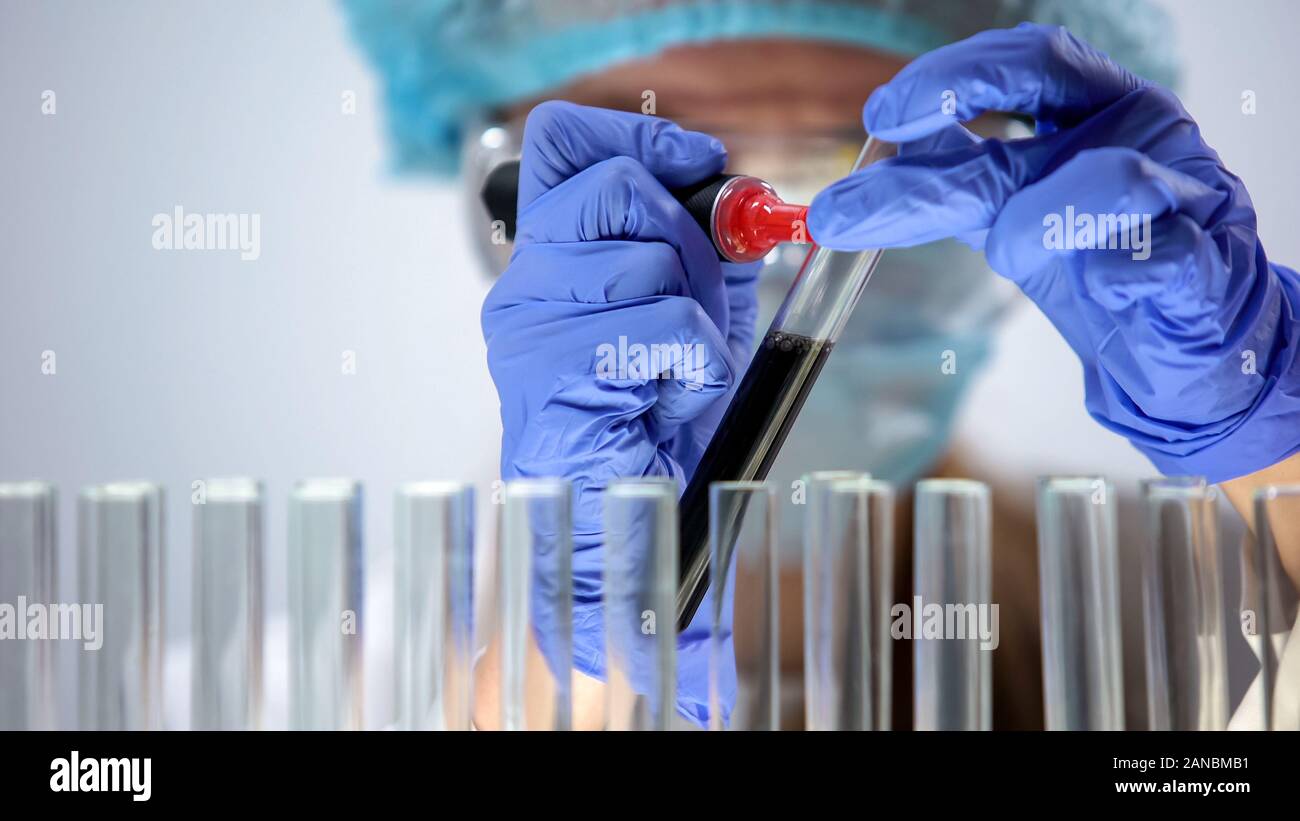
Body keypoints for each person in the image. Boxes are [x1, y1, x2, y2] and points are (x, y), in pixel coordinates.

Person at [341, 1, 1300, 729]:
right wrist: (568, 668)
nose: (773, 264)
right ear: (510, 191)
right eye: (668, 196)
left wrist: (1271, 440)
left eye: (853, 174)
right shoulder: (290, 671)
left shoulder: (1208, 623)